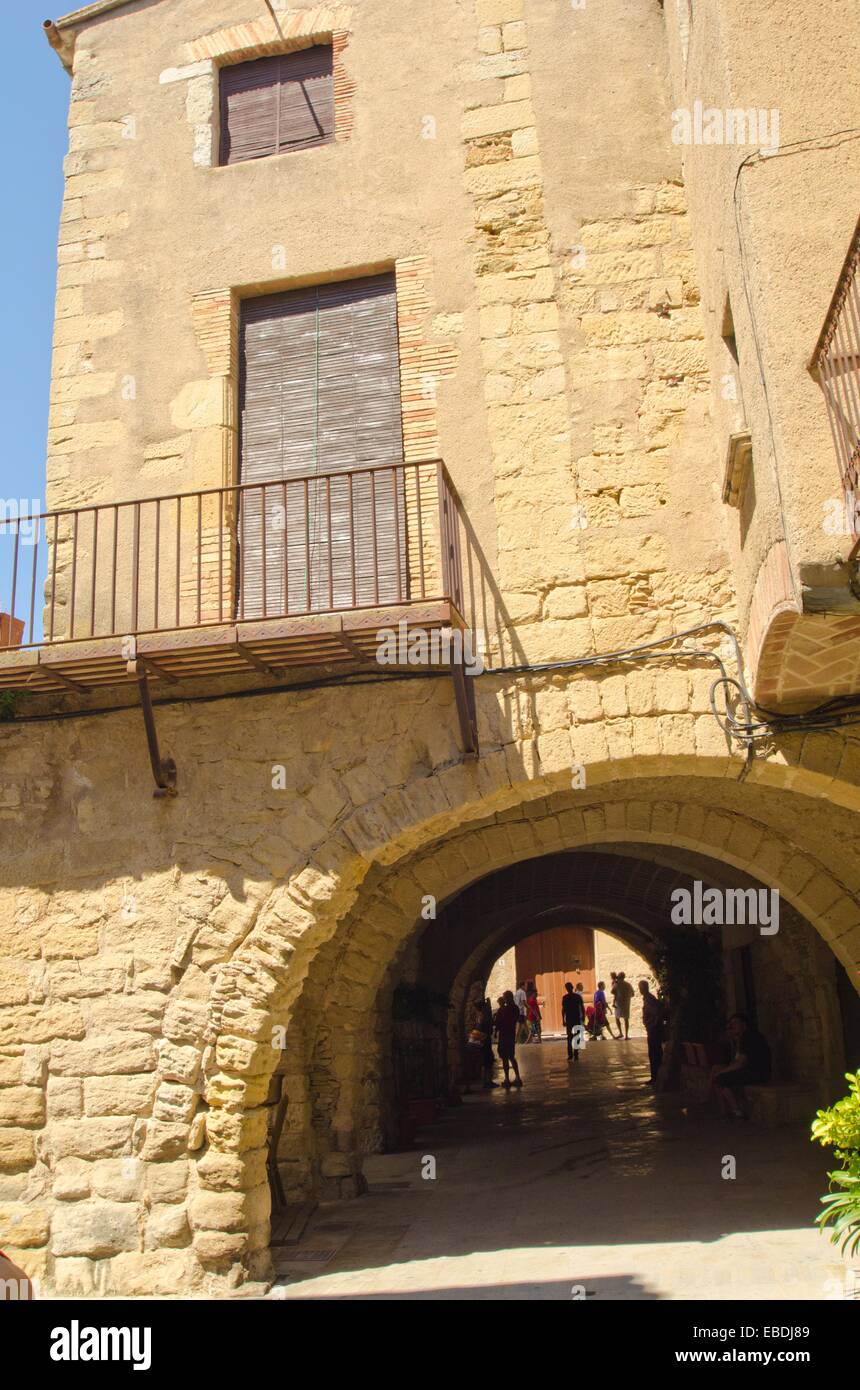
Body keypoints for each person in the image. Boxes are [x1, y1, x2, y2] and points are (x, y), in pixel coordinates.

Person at [710, 1013, 772, 1118]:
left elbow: (740, 1063)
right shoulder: (743, 1037)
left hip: (757, 1073)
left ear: (744, 1024)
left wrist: (723, 1072)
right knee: (716, 1071)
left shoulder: (749, 1036)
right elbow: (736, 1060)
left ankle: (735, 1111)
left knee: (719, 1079)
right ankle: (723, 1109)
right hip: (751, 1070)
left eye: (735, 1023)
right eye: (731, 1024)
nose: (733, 1026)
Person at [494, 990, 524, 1088]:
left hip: (504, 1035)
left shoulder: (505, 1009)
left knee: (505, 1058)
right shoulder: (515, 1008)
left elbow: (499, 1021)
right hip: (510, 1034)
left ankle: (507, 1078)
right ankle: (517, 1077)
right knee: (511, 1056)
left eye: (505, 997)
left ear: (508, 998)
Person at [639, 979, 663, 1083]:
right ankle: (655, 1076)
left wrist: (652, 1025)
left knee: (654, 1054)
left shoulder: (649, 999)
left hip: (653, 1030)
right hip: (652, 1029)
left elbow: (656, 1013)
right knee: (653, 1053)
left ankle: (656, 1077)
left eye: (641, 988)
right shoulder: (648, 998)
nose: (640, 990)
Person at [562, 980, 586, 1062]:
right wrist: (583, 1017)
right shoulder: (577, 997)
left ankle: (571, 1054)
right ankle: (574, 1053)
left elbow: (563, 1010)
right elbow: (582, 1008)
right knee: (575, 1036)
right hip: (575, 1019)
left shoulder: (565, 998)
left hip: (571, 1019)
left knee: (570, 1037)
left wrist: (563, 1019)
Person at [614, 971, 634, 1040]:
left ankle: (620, 1033)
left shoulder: (617, 985)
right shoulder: (628, 985)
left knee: (617, 1018)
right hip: (626, 1004)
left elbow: (612, 992)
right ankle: (626, 1035)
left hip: (618, 1004)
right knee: (626, 1019)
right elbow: (632, 994)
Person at [608, 972, 624, 1038]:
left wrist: (614, 1002)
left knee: (617, 1018)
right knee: (622, 1018)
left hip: (618, 1001)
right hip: (619, 1000)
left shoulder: (615, 982)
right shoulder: (617, 982)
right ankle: (622, 1033)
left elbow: (614, 992)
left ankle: (621, 1033)